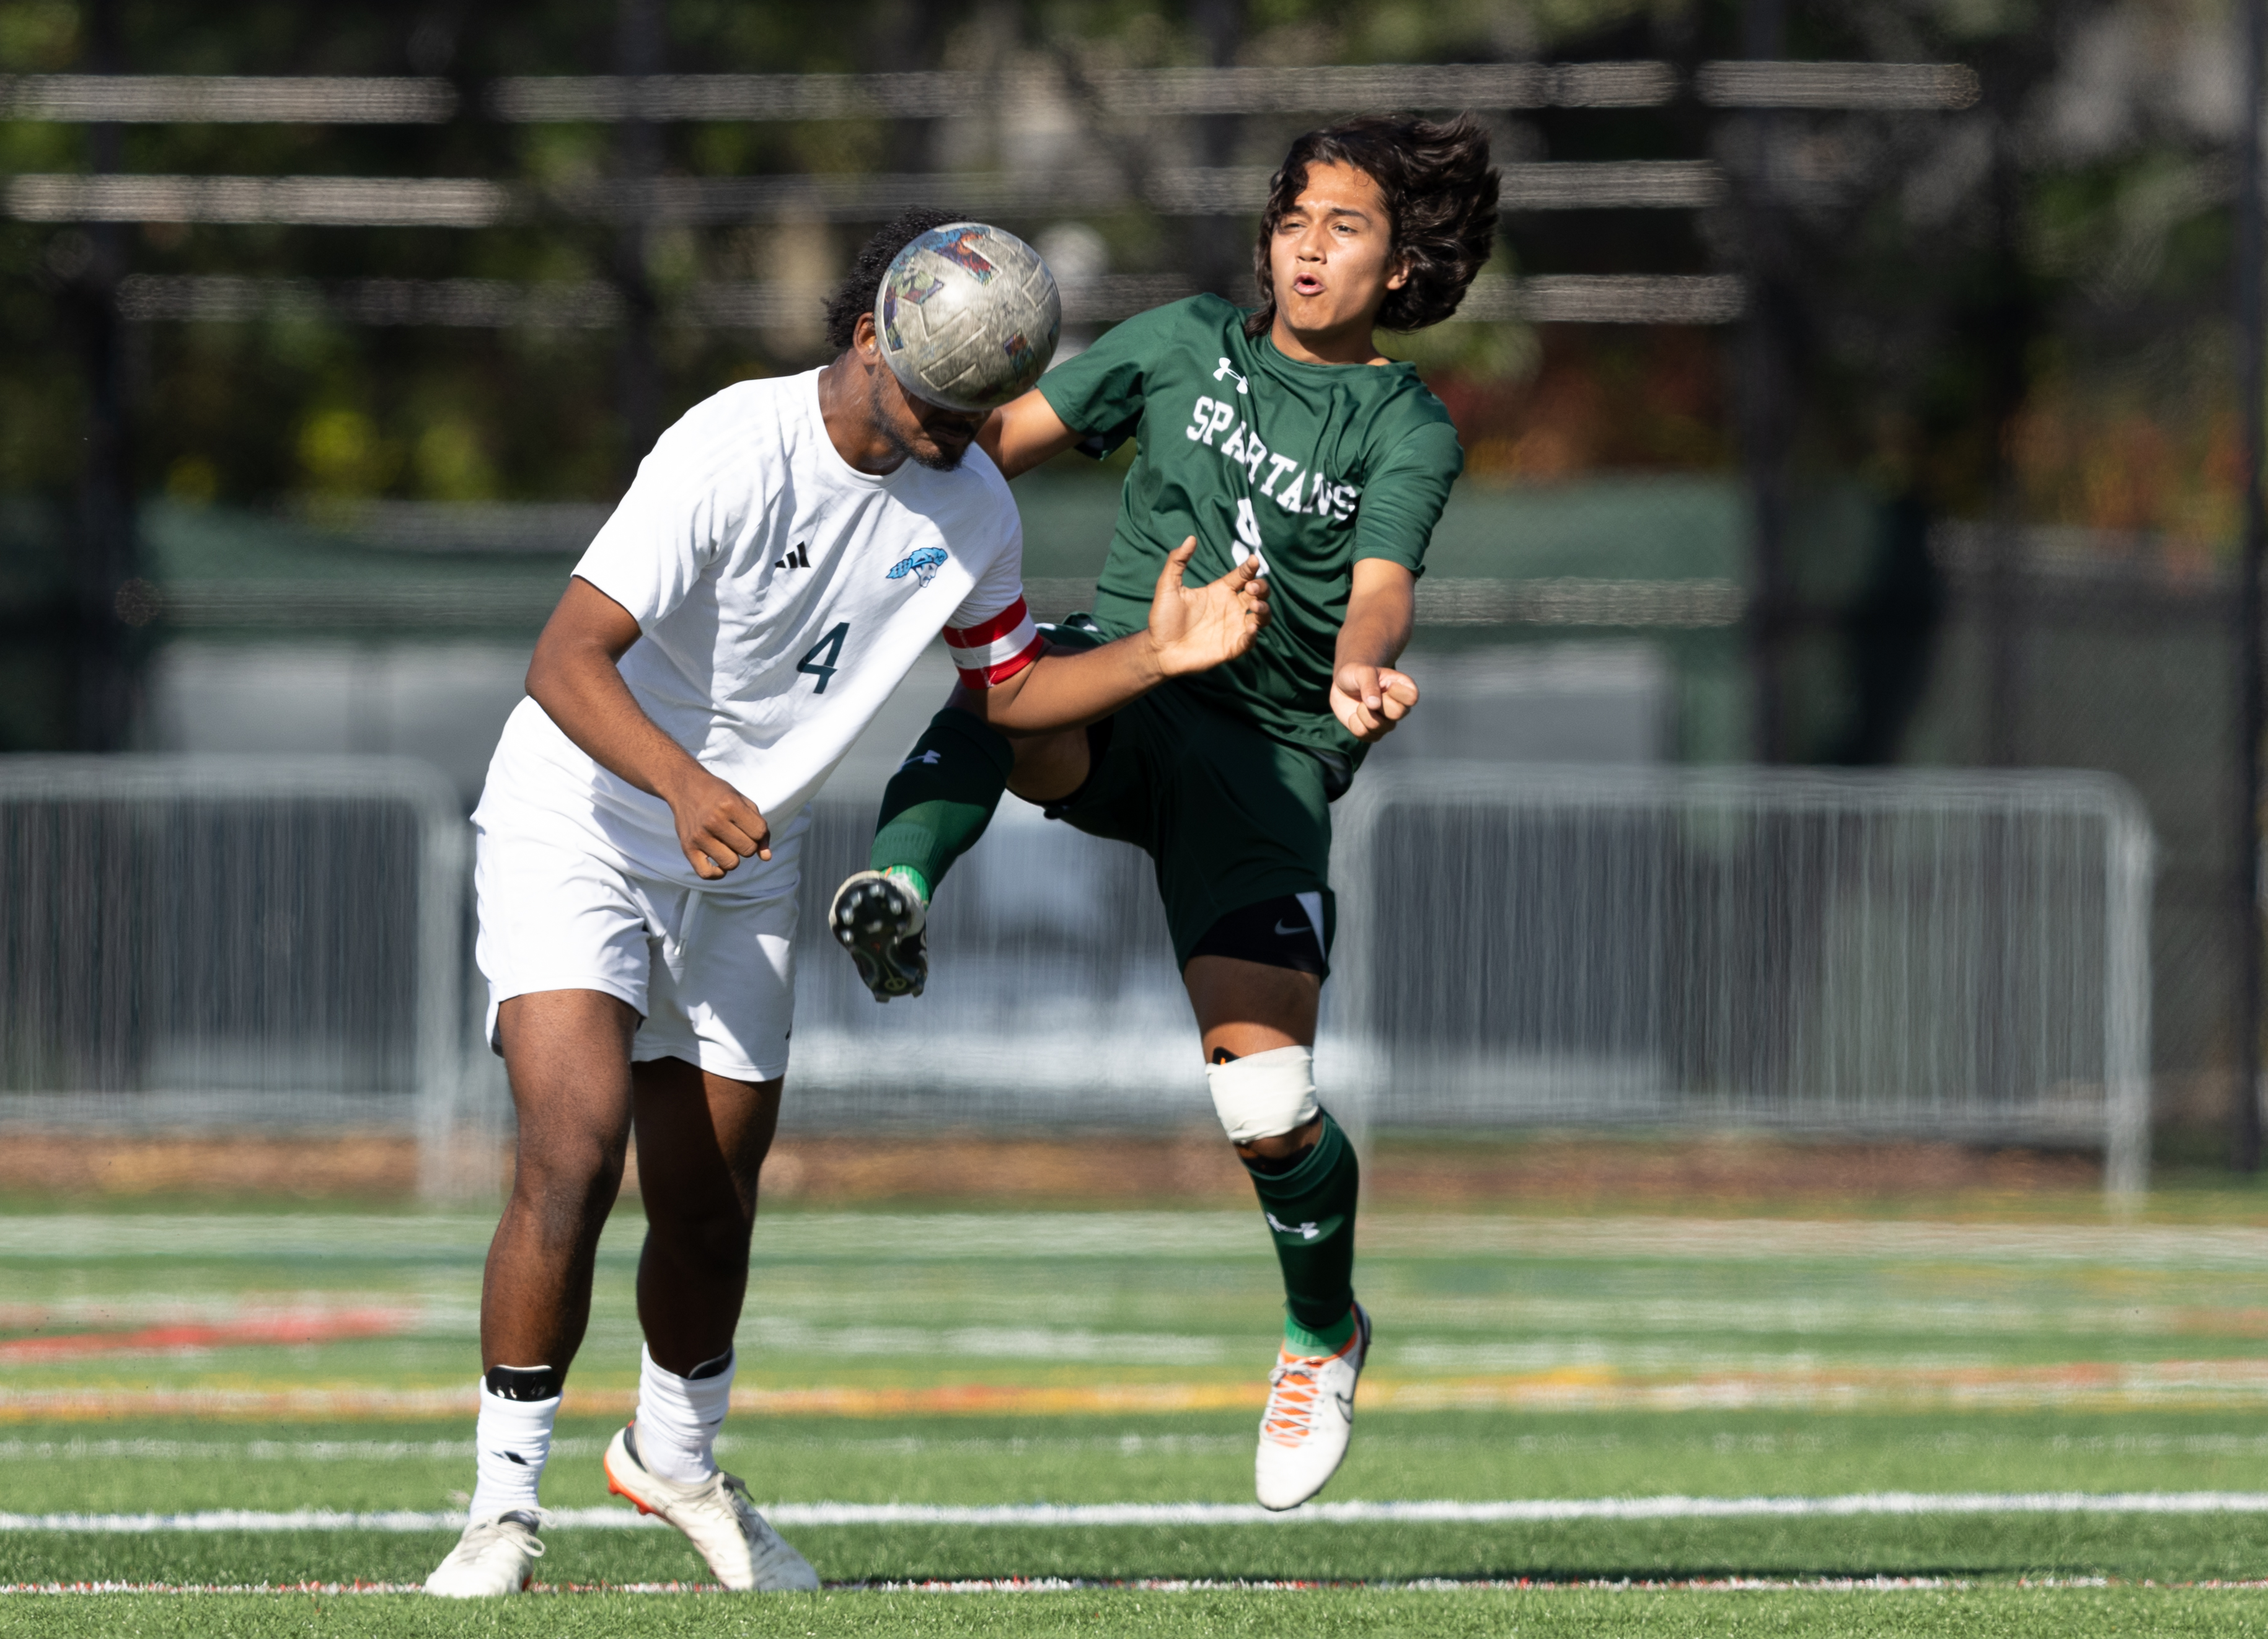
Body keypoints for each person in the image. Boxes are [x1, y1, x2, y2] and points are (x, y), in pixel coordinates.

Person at [421, 207, 1270, 1597]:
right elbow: (566, 660)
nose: (956, 430)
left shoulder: (976, 503)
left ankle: (676, 1463)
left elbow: (1004, 698)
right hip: (582, 815)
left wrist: (1149, 658)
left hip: (740, 855)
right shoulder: (729, 446)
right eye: (941, 398)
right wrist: (687, 788)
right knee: (570, 1152)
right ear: (872, 333)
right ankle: (501, 1511)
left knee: (709, 1206)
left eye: (984, 407)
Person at [829, 116, 1498, 1511]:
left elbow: (1379, 584)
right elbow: (996, 440)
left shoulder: (1404, 424)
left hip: (1264, 755)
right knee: (1015, 691)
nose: (1310, 246)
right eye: (1296, 217)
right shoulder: (1184, 338)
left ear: (1403, 264)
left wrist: (1362, 665)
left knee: (1265, 1101)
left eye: (1349, 227)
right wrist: (863, 468)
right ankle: (896, 881)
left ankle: (1324, 1330)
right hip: (1136, 682)